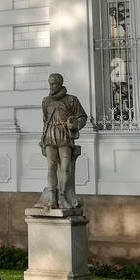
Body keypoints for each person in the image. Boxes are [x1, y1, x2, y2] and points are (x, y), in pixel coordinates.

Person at [35, 73, 88, 212]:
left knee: (65, 167)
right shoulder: (46, 101)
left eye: (54, 84)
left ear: (60, 84)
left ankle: (63, 196)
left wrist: (74, 124)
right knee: (51, 166)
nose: (51, 86)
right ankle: (52, 197)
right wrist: (42, 139)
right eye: (50, 83)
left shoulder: (71, 100)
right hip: (50, 135)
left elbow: (82, 117)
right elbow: (45, 120)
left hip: (64, 134)